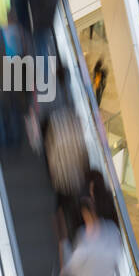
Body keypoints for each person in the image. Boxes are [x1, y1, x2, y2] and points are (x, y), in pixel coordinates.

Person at [44, 102, 88, 242]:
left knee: (62, 205)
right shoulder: (76, 121)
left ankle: (65, 237)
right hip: (76, 176)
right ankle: (77, 233)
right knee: (76, 205)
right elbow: (83, 152)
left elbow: (51, 152)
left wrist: (52, 174)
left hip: (61, 177)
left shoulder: (55, 122)